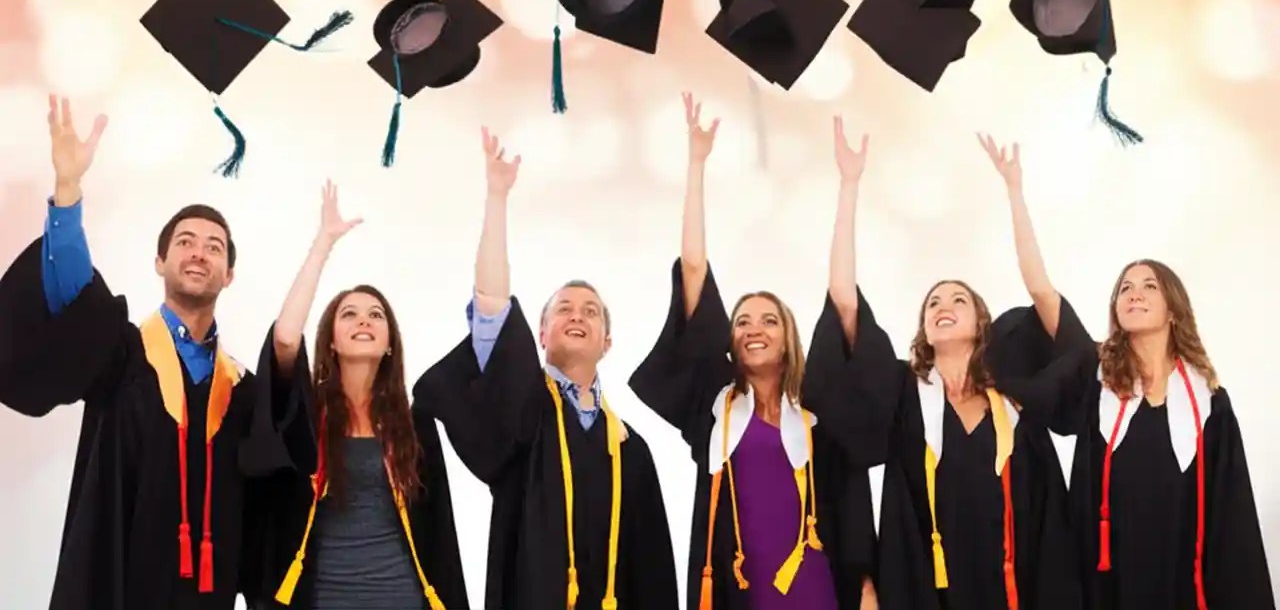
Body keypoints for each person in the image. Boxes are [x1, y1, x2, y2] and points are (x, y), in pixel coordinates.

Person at [0, 96, 313, 610]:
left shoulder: (242, 389)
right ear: (160, 261)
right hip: (120, 588)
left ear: (228, 274)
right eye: (185, 242)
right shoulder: (120, 353)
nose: (198, 251)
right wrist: (68, 191)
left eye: (214, 246)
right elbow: (74, 289)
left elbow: (278, 490)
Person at [799, 119, 1082, 610]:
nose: (943, 304)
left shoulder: (1014, 401)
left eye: (958, 299)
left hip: (1017, 591)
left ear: (983, 320)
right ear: (923, 330)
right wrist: (849, 186)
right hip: (930, 592)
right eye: (932, 302)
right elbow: (844, 302)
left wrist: (1015, 192)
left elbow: (1042, 292)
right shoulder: (906, 395)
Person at [985, 144, 1275, 608]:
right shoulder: (1093, 377)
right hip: (1108, 585)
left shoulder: (1209, 403)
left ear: (1173, 309)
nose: (1134, 294)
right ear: (1116, 309)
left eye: (1149, 286)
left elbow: (1232, 520)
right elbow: (1040, 288)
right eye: (1125, 288)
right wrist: (1015, 191)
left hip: (1184, 584)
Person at [629, 92, 880, 610]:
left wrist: (849, 187)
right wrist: (696, 164)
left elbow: (844, 302)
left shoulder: (817, 414)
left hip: (818, 587)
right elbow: (694, 273)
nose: (753, 329)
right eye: (742, 321)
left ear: (788, 335)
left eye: (768, 320)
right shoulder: (716, 409)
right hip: (740, 589)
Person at [414, 127, 680, 610]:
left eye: (591, 311)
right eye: (563, 309)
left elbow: (654, 572)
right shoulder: (523, 415)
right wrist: (497, 198)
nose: (577, 314)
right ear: (539, 336)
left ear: (608, 342)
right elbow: (492, 309)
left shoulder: (631, 451)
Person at [246, 182, 468, 610]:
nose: (363, 320)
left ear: (389, 342)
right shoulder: (309, 417)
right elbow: (286, 339)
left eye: (375, 315)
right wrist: (321, 246)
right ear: (330, 340)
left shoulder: (415, 424)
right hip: (324, 598)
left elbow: (440, 534)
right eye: (349, 314)